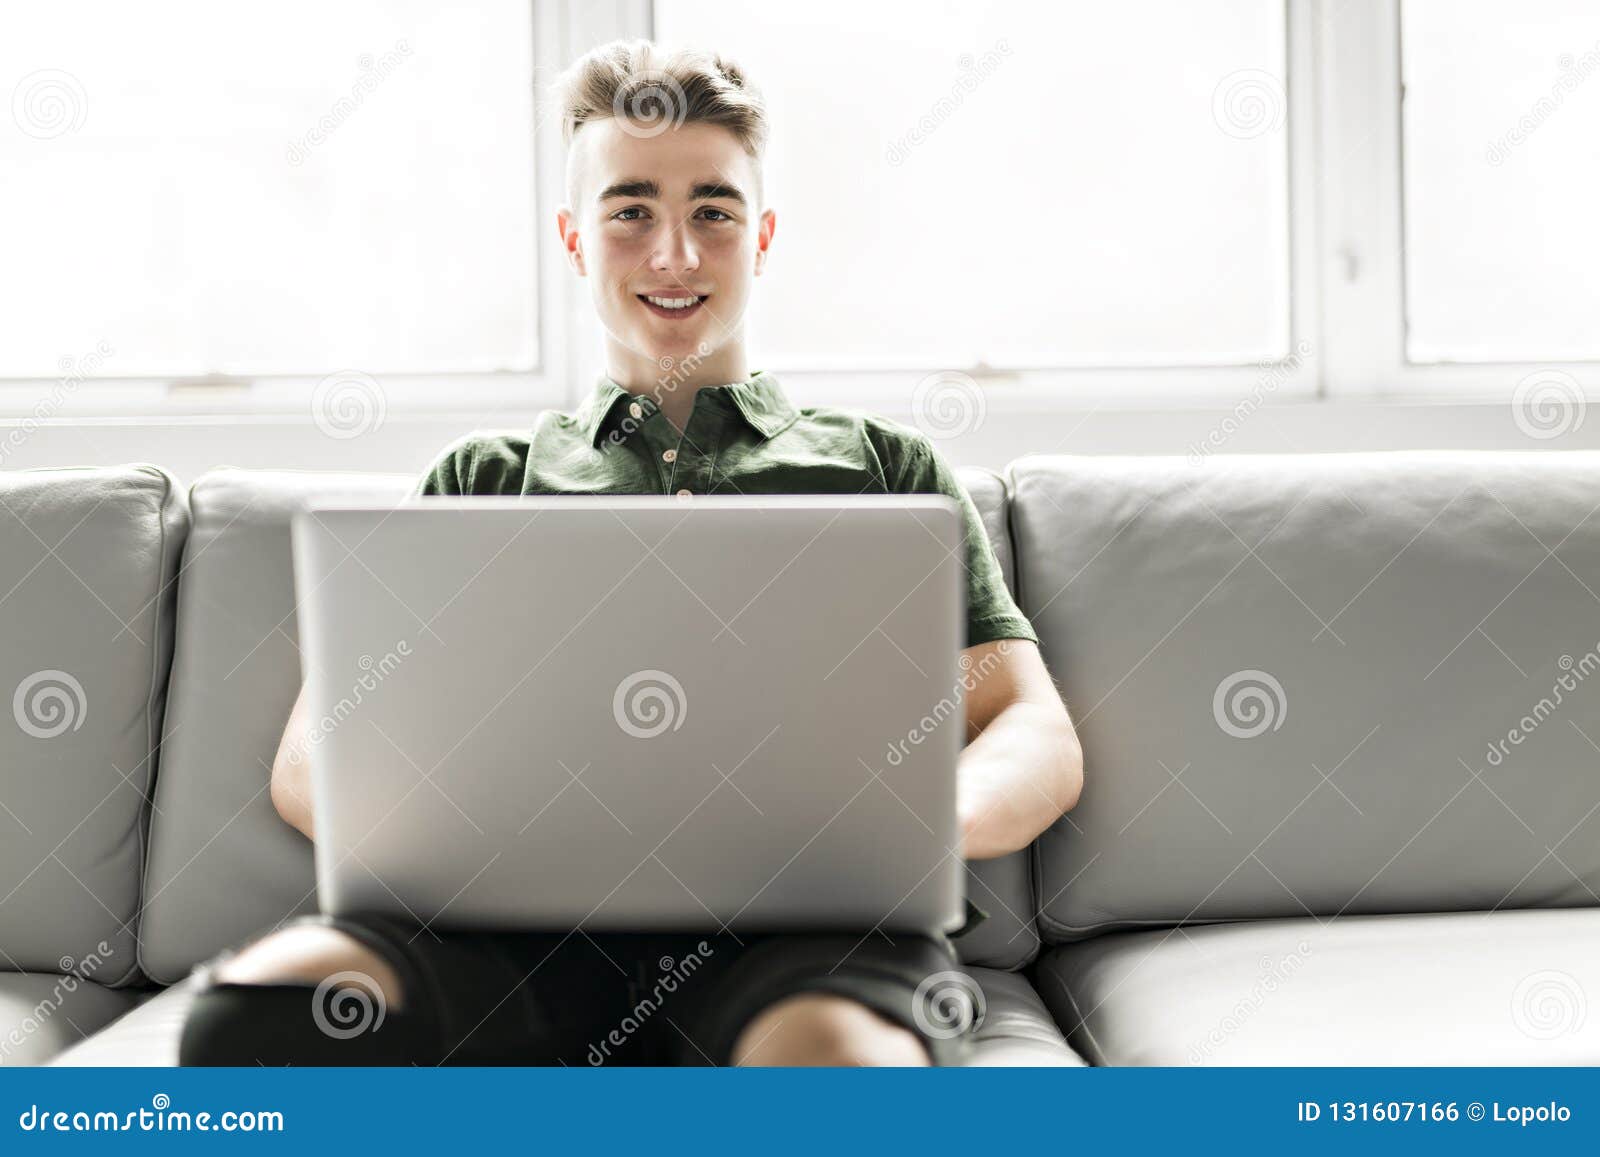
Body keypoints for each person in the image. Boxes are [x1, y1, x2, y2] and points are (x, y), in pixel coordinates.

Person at [178, 38, 1083, 1067]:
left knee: (831, 1061)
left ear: (762, 236)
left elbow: (1030, 725)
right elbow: (314, 753)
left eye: (713, 210)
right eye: (630, 211)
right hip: (501, 937)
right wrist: (455, 843)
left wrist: (908, 827)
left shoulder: (884, 467)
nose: (674, 255)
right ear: (573, 237)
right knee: (265, 1007)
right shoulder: (483, 481)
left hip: (813, 939)